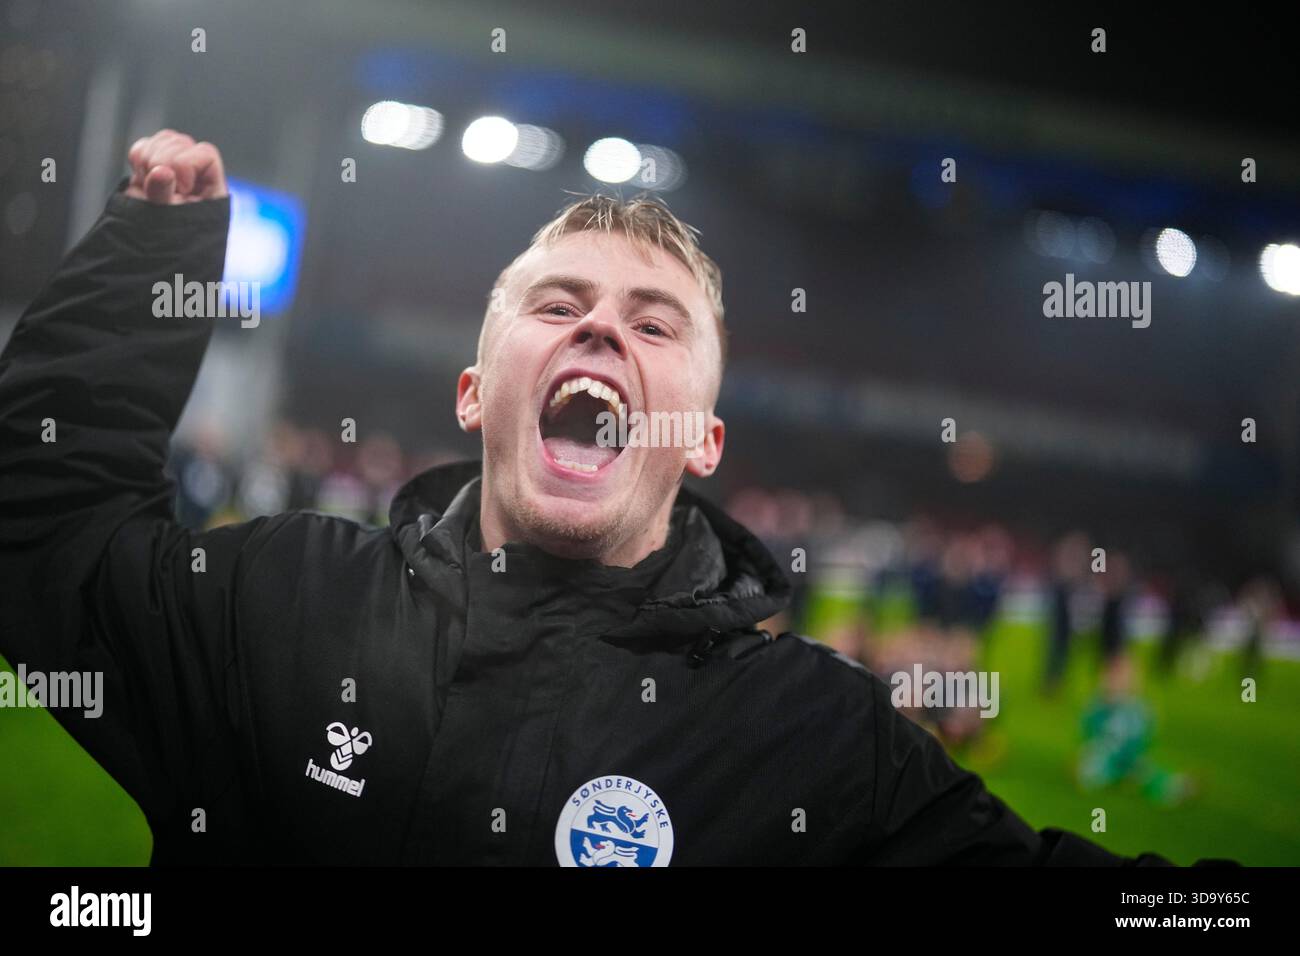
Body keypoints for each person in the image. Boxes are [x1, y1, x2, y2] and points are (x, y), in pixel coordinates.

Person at [0, 129, 1230, 866]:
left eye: (654, 322)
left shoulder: (813, 741)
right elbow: (43, 526)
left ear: (699, 438)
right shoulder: (278, 599)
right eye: (557, 304)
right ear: (477, 392)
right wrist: (141, 276)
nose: (598, 323)